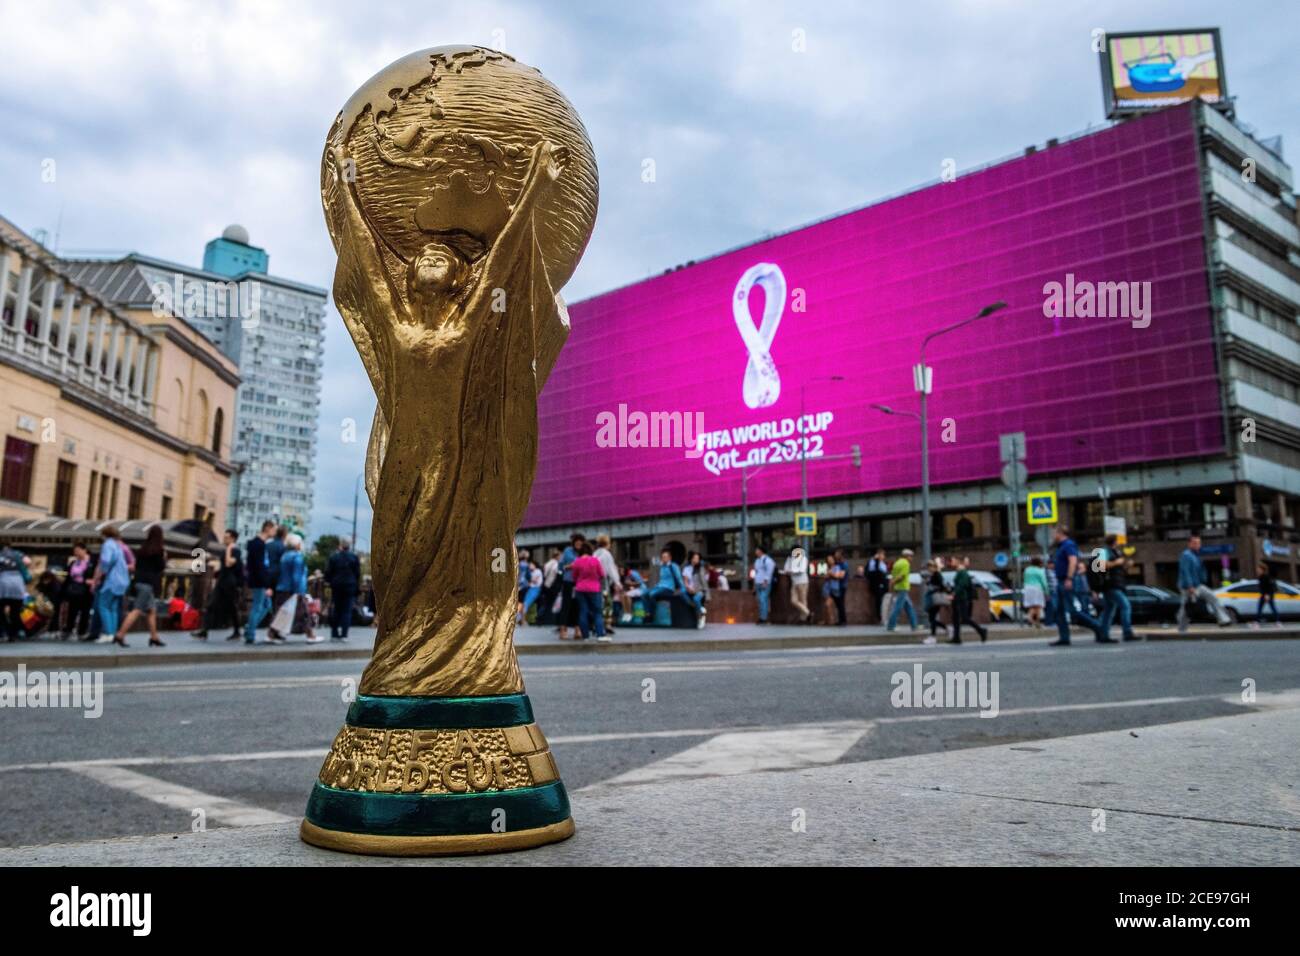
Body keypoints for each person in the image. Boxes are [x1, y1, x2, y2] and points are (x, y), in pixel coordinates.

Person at [1049, 526, 1108, 646]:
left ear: (1060, 533)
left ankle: (1098, 627)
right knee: (1059, 611)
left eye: (1053, 533)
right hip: (1060, 580)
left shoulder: (1068, 545)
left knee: (1072, 611)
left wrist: (1069, 578)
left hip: (1066, 580)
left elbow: (1073, 561)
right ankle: (1064, 637)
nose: (1052, 536)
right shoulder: (1060, 547)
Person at [114, 524, 166, 648]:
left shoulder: (142, 548)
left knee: (151, 611)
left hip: (138, 582)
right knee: (137, 610)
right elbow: (160, 568)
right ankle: (120, 635)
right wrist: (164, 558)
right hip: (148, 585)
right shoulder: (159, 551)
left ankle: (154, 637)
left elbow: (136, 566)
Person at [194, 529, 244, 640]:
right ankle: (204, 631)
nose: (224, 539)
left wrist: (229, 549)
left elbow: (228, 563)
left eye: (226, 537)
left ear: (233, 539)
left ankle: (236, 631)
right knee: (211, 605)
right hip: (222, 581)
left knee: (232, 607)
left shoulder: (235, 550)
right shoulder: (227, 549)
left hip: (230, 583)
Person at [271, 533, 321, 642]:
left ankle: (272, 633)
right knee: (303, 613)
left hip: (282, 587)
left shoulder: (285, 556)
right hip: (294, 589)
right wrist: (298, 591)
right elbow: (297, 576)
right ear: (297, 544)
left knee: (282, 612)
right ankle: (310, 635)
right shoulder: (297, 557)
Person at [1177, 534, 1230, 632]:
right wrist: (1190, 586)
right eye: (1195, 543)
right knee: (1186, 608)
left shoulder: (1195, 555)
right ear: (1189, 544)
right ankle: (1181, 628)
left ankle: (1223, 619)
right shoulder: (1186, 555)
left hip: (1198, 585)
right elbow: (1185, 571)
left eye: (1199, 543)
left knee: (1212, 597)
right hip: (1188, 587)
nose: (1198, 545)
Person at [90, 526, 130, 646]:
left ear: (104, 535)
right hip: (122, 580)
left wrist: (102, 573)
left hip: (112, 580)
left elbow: (106, 561)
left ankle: (107, 633)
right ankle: (112, 633)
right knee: (113, 608)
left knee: (103, 605)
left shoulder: (107, 544)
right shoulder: (118, 546)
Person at [243, 520, 275, 644]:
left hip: (258, 579)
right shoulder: (259, 545)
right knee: (258, 606)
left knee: (267, 606)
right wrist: (266, 585)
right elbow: (259, 566)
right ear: (267, 528)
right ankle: (250, 633)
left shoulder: (258, 544)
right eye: (273, 529)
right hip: (259, 581)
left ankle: (250, 627)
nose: (274, 532)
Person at [1099, 535, 1137, 641]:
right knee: (1125, 606)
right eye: (1117, 541)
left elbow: (1118, 570)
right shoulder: (1104, 551)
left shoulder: (1116, 552)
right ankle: (1127, 632)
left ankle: (1103, 634)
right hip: (1110, 585)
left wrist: (1126, 566)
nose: (1119, 543)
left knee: (1108, 611)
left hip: (1116, 584)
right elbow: (1101, 566)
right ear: (1114, 542)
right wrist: (1117, 562)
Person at [326, 536, 362, 640]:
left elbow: (328, 572)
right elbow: (357, 573)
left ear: (340, 545)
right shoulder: (354, 557)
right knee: (347, 611)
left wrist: (331, 581)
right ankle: (344, 634)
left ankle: (334, 633)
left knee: (336, 609)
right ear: (349, 546)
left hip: (337, 586)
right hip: (350, 586)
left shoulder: (334, 557)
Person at [570, 540, 606, 641]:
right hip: (594, 589)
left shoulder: (577, 561)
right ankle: (600, 635)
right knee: (597, 612)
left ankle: (585, 636)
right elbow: (602, 575)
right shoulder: (595, 560)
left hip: (580, 589)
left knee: (583, 611)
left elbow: (574, 577)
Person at [950, 556, 988, 644]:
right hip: (958, 598)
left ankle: (981, 630)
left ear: (958, 561)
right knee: (955, 618)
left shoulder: (963, 572)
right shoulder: (960, 572)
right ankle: (956, 638)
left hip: (962, 598)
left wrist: (954, 593)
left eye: (952, 560)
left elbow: (962, 584)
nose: (951, 562)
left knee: (965, 618)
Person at [0, 539, 31, 642]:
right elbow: (28, 561)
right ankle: (13, 634)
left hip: (3, 585)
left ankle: (4, 631)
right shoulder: (17, 554)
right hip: (17, 585)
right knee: (15, 612)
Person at [645, 548, 686, 623]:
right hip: (660, 587)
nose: (663, 559)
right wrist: (656, 586)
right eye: (662, 557)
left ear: (670, 558)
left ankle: (651, 615)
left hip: (668, 588)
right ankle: (647, 613)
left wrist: (683, 588)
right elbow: (661, 580)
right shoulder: (662, 567)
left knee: (651, 594)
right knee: (644, 593)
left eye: (665, 557)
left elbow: (679, 578)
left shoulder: (673, 566)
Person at [556, 533, 584, 640]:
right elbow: (561, 566)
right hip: (568, 581)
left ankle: (577, 629)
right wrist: (572, 566)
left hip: (579, 582)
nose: (578, 544)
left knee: (577, 606)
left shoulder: (583, 552)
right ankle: (563, 629)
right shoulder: (568, 551)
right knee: (566, 605)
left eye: (580, 543)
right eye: (576, 542)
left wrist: (573, 565)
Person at [594, 535, 623, 634]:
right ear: (607, 543)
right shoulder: (607, 554)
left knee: (597, 601)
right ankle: (607, 624)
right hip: (603, 580)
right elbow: (611, 569)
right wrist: (617, 582)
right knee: (607, 601)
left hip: (593, 580)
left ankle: (596, 623)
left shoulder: (595, 553)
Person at [886, 548, 918, 632]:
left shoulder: (897, 563)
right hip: (903, 587)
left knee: (909, 607)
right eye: (911, 556)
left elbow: (893, 575)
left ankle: (914, 625)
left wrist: (893, 584)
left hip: (898, 588)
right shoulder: (905, 563)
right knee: (898, 607)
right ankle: (891, 625)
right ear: (907, 556)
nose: (912, 558)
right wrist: (894, 582)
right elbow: (902, 576)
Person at [922, 558, 950, 643]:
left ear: (934, 567)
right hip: (932, 598)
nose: (929, 569)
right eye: (928, 567)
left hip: (936, 598)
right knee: (931, 619)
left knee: (932, 618)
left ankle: (933, 636)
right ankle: (946, 629)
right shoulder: (931, 575)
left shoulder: (937, 574)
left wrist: (934, 588)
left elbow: (941, 585)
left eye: (930, 567)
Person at [782, 546, 811, 623]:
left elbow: (801, 570)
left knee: (803, 600)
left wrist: (791, 571)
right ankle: (808, 613)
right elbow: (785, 569)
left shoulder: (803, 559)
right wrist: (792, 571)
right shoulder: (790, 559)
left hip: (803, 582)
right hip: (794, 582)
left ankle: (803, 619)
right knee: (793, 600)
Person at [682, 550, 708, 629]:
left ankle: (700, 618)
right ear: (691, 559)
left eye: (697, 558)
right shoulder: (687, 569)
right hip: (690, 589)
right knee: (682, 592)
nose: (695, 560)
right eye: (694, 558)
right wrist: (688, 587)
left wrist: (697, 590)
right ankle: (700, 608)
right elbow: (685, 581)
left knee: (696, 599)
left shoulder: (701, 569)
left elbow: (704, 583)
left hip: (699, 590)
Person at [823, 548, 849, 626]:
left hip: (841, 586)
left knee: (840, 604)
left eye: (837, 554)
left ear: (841, 555)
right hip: (834, 587)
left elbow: (841, 576)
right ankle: (836, 620)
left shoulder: (844, 564)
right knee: (836, 604)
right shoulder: (838, 564)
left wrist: (831, 574)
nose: (835, 555)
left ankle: (843, 621)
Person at [1022, 556, 1048, 629]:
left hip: (1027, 588)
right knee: (1038, 605)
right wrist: (1047, 592)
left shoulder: (1027, 570)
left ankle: (1032, 620)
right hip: (1037, 588)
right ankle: (1035, 621)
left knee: (1032, 606)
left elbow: (1024, 579)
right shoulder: (1040, 570)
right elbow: (1044, 582)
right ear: (1039, 563)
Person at [752, 546, 776, 624]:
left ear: (761, 551)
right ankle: (761, 617)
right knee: (760, 600)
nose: (756, 552)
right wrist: (754, 585)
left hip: (765, 583)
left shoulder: (767, 560)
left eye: (757, 550)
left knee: (763, 599)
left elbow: (769, 571)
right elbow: (756, 572)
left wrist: (766, 581)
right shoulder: (757, 561)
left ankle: (764, 618)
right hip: (758, 582)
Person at [866, 549, 890, 625]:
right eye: (882, 555)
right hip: (877, 584)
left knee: (883, 602)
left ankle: (883, 617)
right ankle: (879, 618)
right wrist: (876, 560)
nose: (883, 556)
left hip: (883, 585)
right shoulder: (873, 562)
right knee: (878, 602)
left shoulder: (883, 564)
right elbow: (873, 571)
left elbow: (885, 573)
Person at [1254, 561, 1280, 628]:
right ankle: (1257, 622)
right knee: (1261, 608)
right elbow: (1262, 587)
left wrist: (1267, 595)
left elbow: (1270, 586)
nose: (1257, 570)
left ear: (1262, 569)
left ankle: (1277, 622)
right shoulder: (1261, 577)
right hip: (1264, 594)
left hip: (1268, 595)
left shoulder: (1266, 576)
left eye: (1258, 569)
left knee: (1271, 608)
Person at [539, 548, 561, 626]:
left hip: (546, 585)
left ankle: (541, 618)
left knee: (545, 603)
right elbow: (556, 573)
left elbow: (544, 574)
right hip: (552, 585)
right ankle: (549, 619)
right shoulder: (556, 563)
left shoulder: (548, 563)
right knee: (551, 603)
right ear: (557, 556)